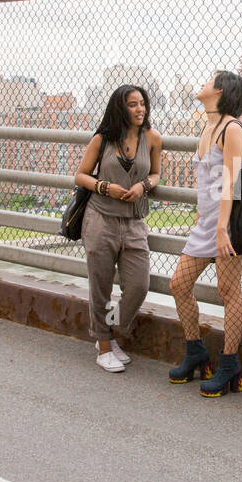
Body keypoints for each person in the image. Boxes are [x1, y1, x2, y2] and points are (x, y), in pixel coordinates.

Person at [168, 70, 242, 397]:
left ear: (220, 90)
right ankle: (196, 352)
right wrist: (205, 219)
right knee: (178, 284)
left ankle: (229, 363)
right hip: (207, 223)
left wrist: (220, 229)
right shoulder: (206, 125)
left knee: (228, 290)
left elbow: (231, 182)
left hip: (226, 225)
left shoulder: (232, 128)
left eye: (209, 80)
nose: (202, 83)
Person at [75, 85, 162, 372]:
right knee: (99, 286)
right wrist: (104, 187)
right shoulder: (103, 139)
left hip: (135, 222)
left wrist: (143, 186)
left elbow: (156, 173)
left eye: (142, 104)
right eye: (133, 104)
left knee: (138, 285)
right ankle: (103, 345)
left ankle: (109, 331)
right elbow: (80, 176)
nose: (140, 109)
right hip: (100, 219)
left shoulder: (152, 138)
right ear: (120, 108)